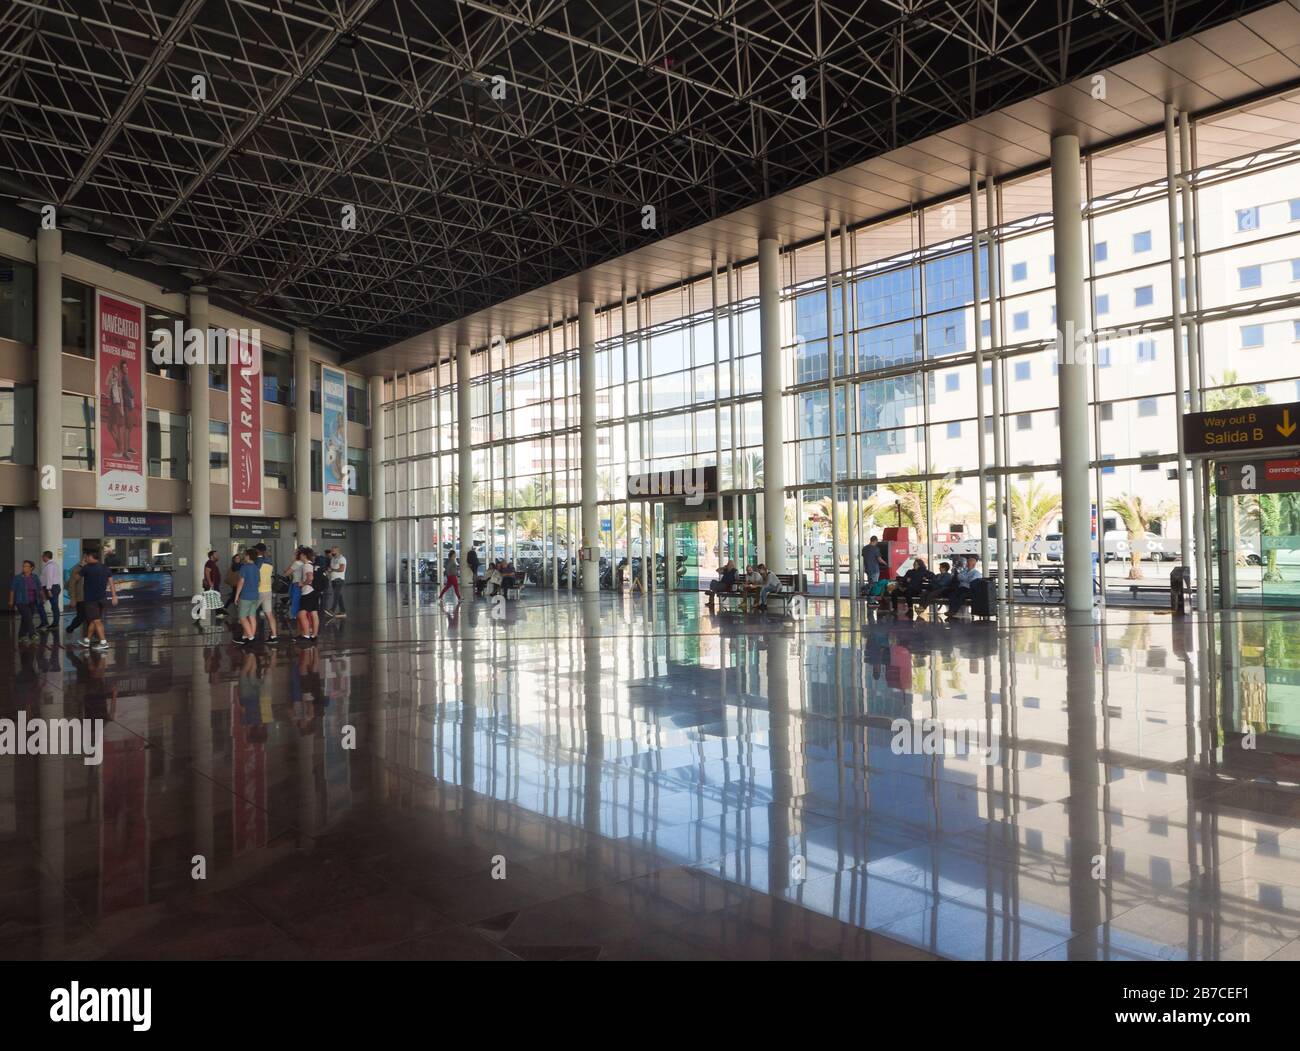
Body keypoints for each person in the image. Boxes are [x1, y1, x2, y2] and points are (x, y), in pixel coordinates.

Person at [78, 548, 117, 650]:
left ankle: (103, 642)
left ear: (90, 557)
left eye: (86, 557)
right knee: (94, 620)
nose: (85, 558)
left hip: (91, 600)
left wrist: (81, 566)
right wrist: (114, 596)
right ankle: (87, 640)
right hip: (102, 599)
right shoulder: (105, 567)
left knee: (96, 621)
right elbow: (111, 583)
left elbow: (76, 578)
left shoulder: (86, 568)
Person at [233, 549, 262, 644]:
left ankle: (251, 638)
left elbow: (241, 582)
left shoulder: (244, 568)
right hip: (255, 595)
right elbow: (258, 583)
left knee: (242, 617)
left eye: (245, 555)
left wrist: (236, 596)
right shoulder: (256, 568)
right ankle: (247, 637)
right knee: (252, 617)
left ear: (248, 556)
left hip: (246, 596)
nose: (244, 557)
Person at [9, 560, 41, 642]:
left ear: (31, 568)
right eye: (23, 566)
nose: (24, 568)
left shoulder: (35, 577)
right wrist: (11, 600)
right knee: (28, 617)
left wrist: (42, 598)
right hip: (21, 601)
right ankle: (32, 634)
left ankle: (21, 636)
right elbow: (12, 590)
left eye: (26, 566)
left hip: (32, 601)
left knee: (25, 618)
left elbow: (39, 588)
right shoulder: (18, 578)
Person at [255, 544, 279, 642]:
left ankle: (248, 636)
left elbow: (255, 576)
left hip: (258, 591)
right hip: (268, 590)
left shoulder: (257, 562)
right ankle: (274, 636)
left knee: (249, 614)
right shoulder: (269, 561)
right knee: (269, 614)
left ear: (257, 551)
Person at [38, 550, 61, 632]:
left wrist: (48, 589)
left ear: (46, 556)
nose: (42, 558)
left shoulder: (50, 566)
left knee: (53, 606)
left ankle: (54, 624)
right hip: (52, 587)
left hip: (51, 588)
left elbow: (49, 578)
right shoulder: (51, 565)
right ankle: (46, 622)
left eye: (42, 556)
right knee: (42, 604)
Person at [65, 555, 87, 636]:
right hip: (80, 597)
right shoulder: (76, 569)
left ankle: (90, 635)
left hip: (89, 597)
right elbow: (71, 584)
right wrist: (72, 598)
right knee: (81, 616)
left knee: (90, 617)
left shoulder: (89, 568)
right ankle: (70, 628)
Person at [324, 546, 347, 617]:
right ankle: (343, 611)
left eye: (333, 551)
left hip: (339, 580)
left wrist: (332, 570)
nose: (332, 552)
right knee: (339, 596)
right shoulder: (333, 559)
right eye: (332, 551)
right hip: (333, 580)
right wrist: (328, 570)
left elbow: (342, 569)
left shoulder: (342, 559)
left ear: (338, 551)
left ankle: (332, 610)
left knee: (336, 596)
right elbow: (331, 568)